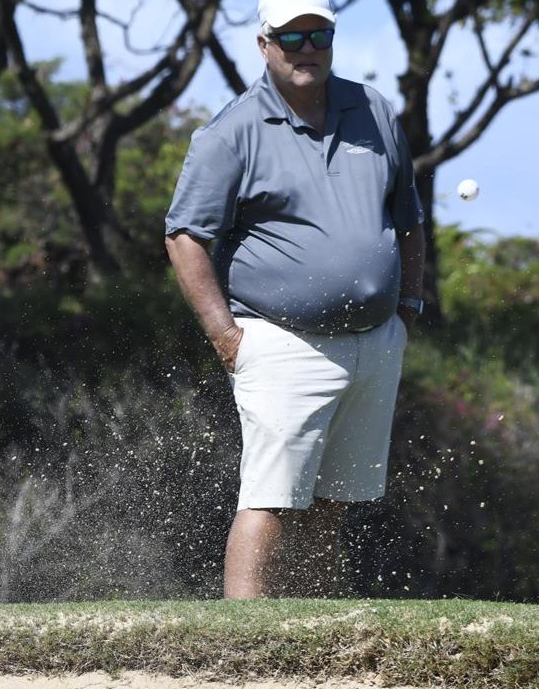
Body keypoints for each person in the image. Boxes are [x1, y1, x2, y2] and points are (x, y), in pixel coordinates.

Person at [163, 0, 426, 599]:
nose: (307, 47)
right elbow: (185, 238)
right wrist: (225, 336)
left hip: (375, 342)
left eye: (319, 35)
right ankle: (244, 643)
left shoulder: (373, 110)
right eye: (291, 37)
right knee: (270, 500)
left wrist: (409, 308)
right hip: (280, 340)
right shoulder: (231, 132)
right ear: (264, 45)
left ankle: (305, 637)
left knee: (331, 502)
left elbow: (407, 217)